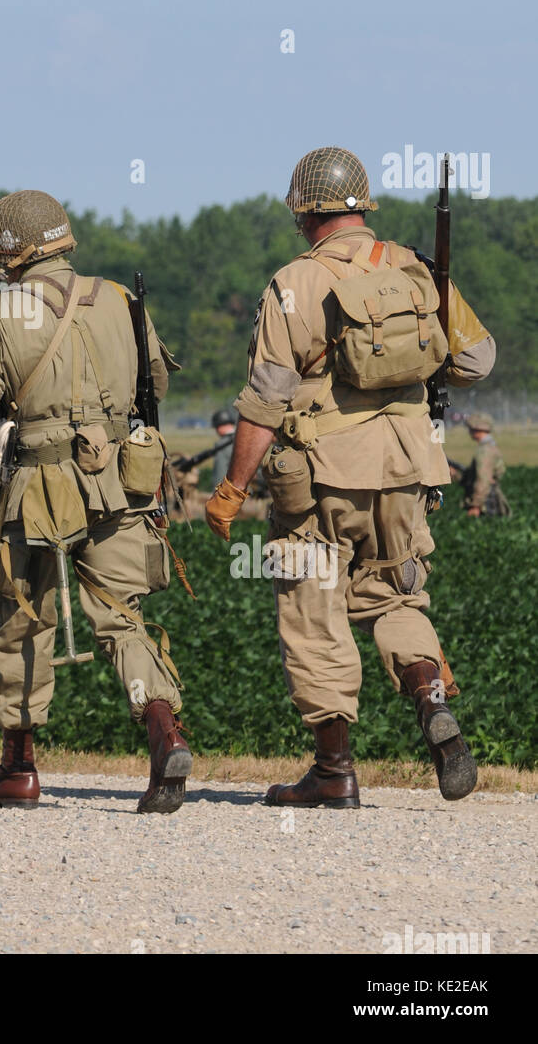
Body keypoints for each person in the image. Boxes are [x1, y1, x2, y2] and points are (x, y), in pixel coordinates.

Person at [205, 147, 496, 807]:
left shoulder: (292, 283)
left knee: (313, 608)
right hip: (409, 466)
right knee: (395, 596)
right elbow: (477, 359)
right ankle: (430, 704)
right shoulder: (417, 269)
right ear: (363, 204)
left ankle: (333, 772)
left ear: (304, 210)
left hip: (320, 477)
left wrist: (229, 490)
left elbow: (263, 400)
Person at [0, 190, 191, 814]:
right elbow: (153, 382)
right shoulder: (117, 299)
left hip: (39, 487)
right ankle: (164, 735)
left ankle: (18, 770)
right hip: (119, 481)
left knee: (25, 617)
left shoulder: (1, 310)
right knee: (120, 615)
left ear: (9, 251)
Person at [453, 412, 510, 518]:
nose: (469, 431)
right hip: (487, 498)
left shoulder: (485, 451)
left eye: (471, 428)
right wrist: (455, 474)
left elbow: (483, 480)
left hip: (486, 502)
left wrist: (476, 506)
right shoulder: (489, 446)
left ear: (477, 428)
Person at [210, 407, 237, 488]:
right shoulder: (243, 439)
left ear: (219, 427)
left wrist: (217, 493)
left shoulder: (221, 445)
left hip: (231, 493)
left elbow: (220, 473)